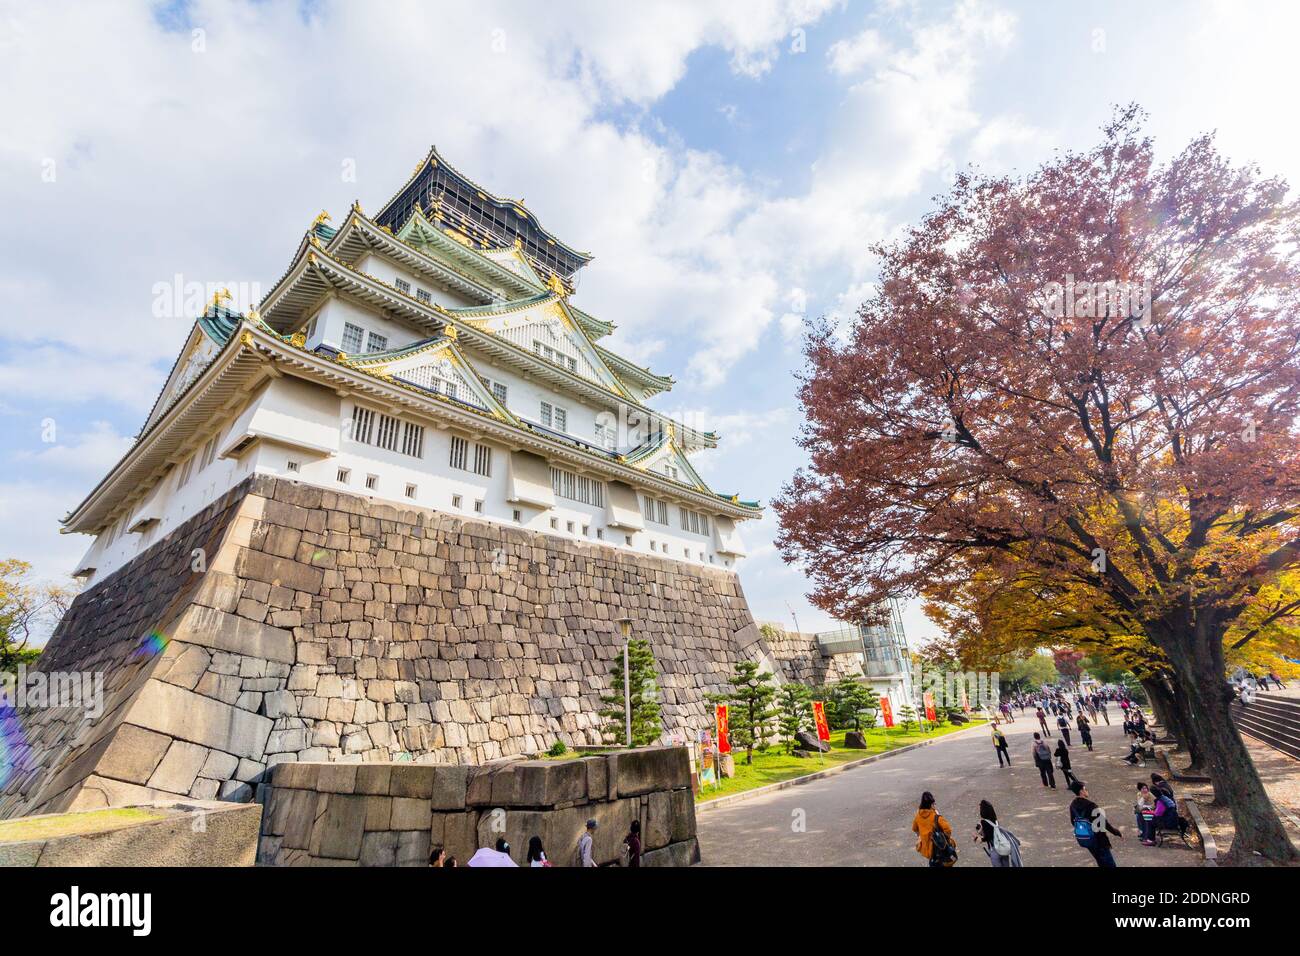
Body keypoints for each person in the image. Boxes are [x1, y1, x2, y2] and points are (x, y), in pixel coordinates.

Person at [1069, 780, 1123, 867]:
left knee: (1100, 862)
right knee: (1110, 864)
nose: (1087, 791)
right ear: (1081, 791)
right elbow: (1103, 823)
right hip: (1099, 839)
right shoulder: (1091, 805)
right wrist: (1116, 832)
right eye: (1085, 789)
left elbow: (1073, 821)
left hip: (1087, 839)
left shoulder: (1073, 805)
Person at [912, 791, 957, 867]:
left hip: (929, 851)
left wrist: (922, 836)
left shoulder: (918, 816)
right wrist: (944, 838)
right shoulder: (936, 816)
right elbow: (948, 829)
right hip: (940, 849)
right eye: (934, 804)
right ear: (931, 805)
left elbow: (914, 828)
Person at [973, 799, 1022, 867]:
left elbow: (988, 837)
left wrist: (978, 838)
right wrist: (981, 830)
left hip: (995, 851)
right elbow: (993, 832)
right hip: (1003, 849)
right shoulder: (995, 820)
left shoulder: (983, 822)